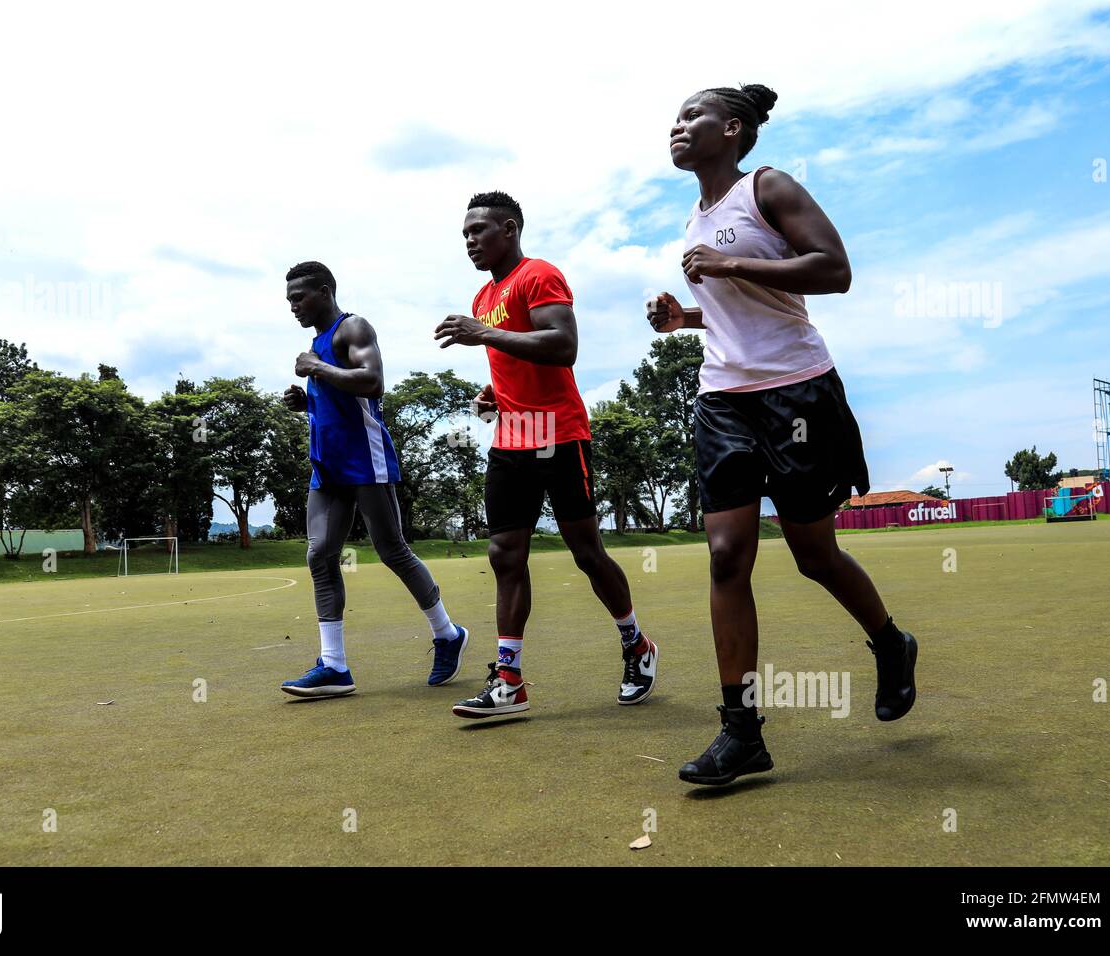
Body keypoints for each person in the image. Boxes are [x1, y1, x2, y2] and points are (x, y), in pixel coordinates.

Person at [648, 85, 917, 785]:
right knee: (726, 555)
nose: (677, 127)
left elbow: (835, 270)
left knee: (812, 553)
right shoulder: (693, 219)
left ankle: (891, 643)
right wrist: (684, 318)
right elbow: (737, 317)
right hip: (722, 398)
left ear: (732, 128)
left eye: (692, 117)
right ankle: (742, 732)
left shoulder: (766, 188)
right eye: (674, 119)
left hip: (796, 391)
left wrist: (729, 263)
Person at [435, 192, 658, 719]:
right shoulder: (482, 297)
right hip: (512, 436)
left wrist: (485, 333)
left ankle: (636, 644)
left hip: (559, 434)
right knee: (504, 554)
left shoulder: (539, 275)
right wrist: (494, 394)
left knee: (586, 552)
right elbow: (513, 359)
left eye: (479, 231)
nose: (469, 241)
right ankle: (508, 680)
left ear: (509, 229)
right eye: (464, 234)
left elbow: (562, 345)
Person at [279, 260, 468, 697]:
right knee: (320, 556)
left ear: (324, 292)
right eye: (288, 300)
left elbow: (373, 382)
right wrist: (305, 403)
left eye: (298, 297)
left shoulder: (353, 328)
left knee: (392, 550)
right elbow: (336, 404)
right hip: (327, 467)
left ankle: (447, 634)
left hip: (366, 460)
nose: (292, 307)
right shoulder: (318, 342)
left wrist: (316, 369)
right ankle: (334, 666)